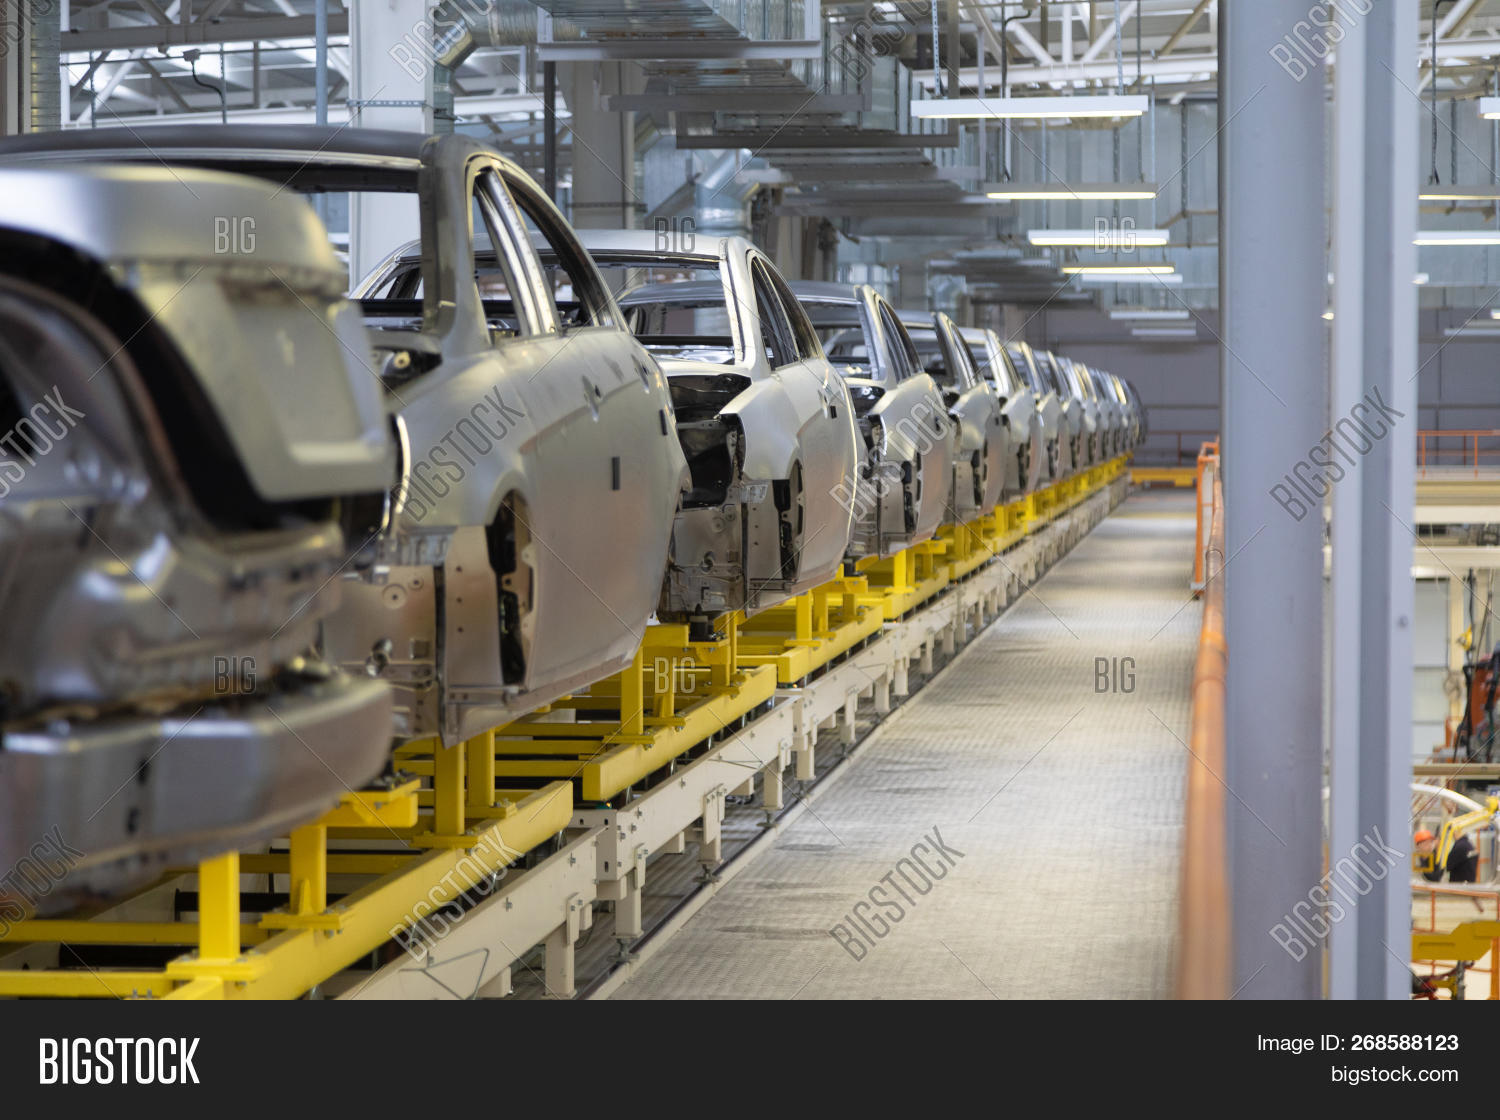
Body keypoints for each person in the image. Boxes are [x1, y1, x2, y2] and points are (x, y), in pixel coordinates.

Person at [1415, 828, 1480, 884]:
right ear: (1418, 846)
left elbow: (1436, 874)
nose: (1429, 846)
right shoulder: (1416, 860)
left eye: (1430, 842)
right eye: (1426, 843)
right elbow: (1432, 877)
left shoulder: (1432, 856)